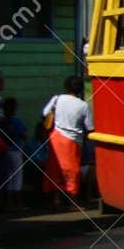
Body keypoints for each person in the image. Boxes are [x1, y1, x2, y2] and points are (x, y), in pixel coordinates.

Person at [42, 75, 93, 209]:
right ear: (81, 89)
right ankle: (73, 202)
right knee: (72, 171)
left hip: (56, 138)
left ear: (66, 87)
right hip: (73, 142)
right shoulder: (83, 105)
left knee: (56, 169)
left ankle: (56, 200)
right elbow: (90, 127)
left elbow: (45, 112)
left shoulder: (57, 98)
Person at [0, 98, 27, 211]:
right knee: (17, 179)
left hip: (4, 151)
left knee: (8, 178)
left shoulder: (1, 121)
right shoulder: (16, 121)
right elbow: (24, 135)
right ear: (15, 109)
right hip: (15, 150)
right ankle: (18, 204)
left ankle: (8, 204)